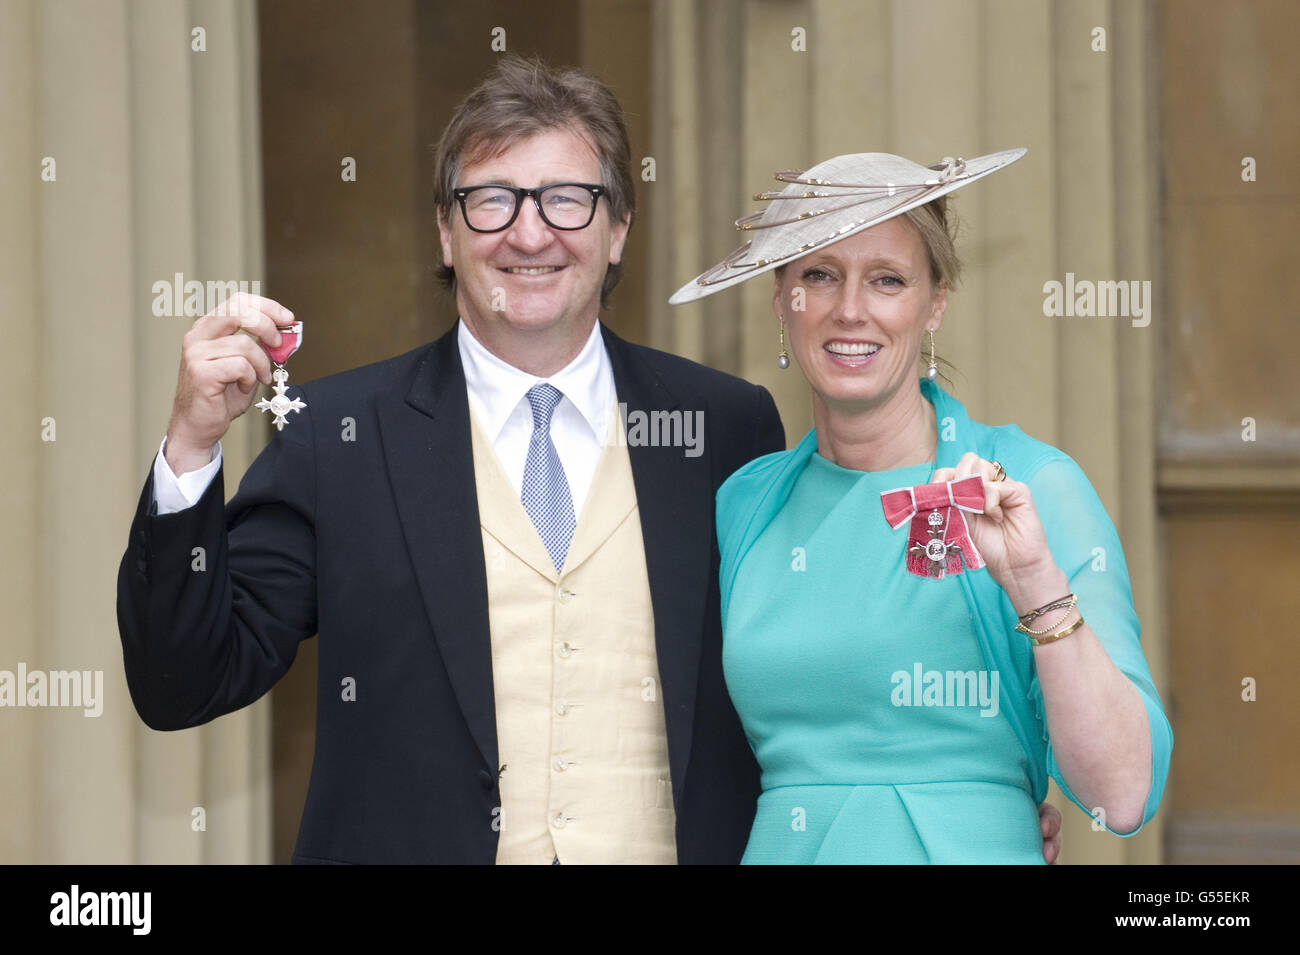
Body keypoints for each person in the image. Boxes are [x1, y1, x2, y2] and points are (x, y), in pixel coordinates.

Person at [117, 56, 1062, 864]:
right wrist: (193, 446)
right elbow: (182, 682)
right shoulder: (338, 430)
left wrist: (981, 788)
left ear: (616, 231)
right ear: (446, 232)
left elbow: (818, 656)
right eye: (491, 200)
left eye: (567, 198)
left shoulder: (722, 425)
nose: (531, 233)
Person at [670, 148, 1172, 863]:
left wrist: (1033, 582)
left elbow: (1121, 794)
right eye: (819, 274)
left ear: (934, 302)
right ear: (784, 299)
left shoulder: (1031, 483)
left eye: (887, 279)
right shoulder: (744, 505)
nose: (850, 309)